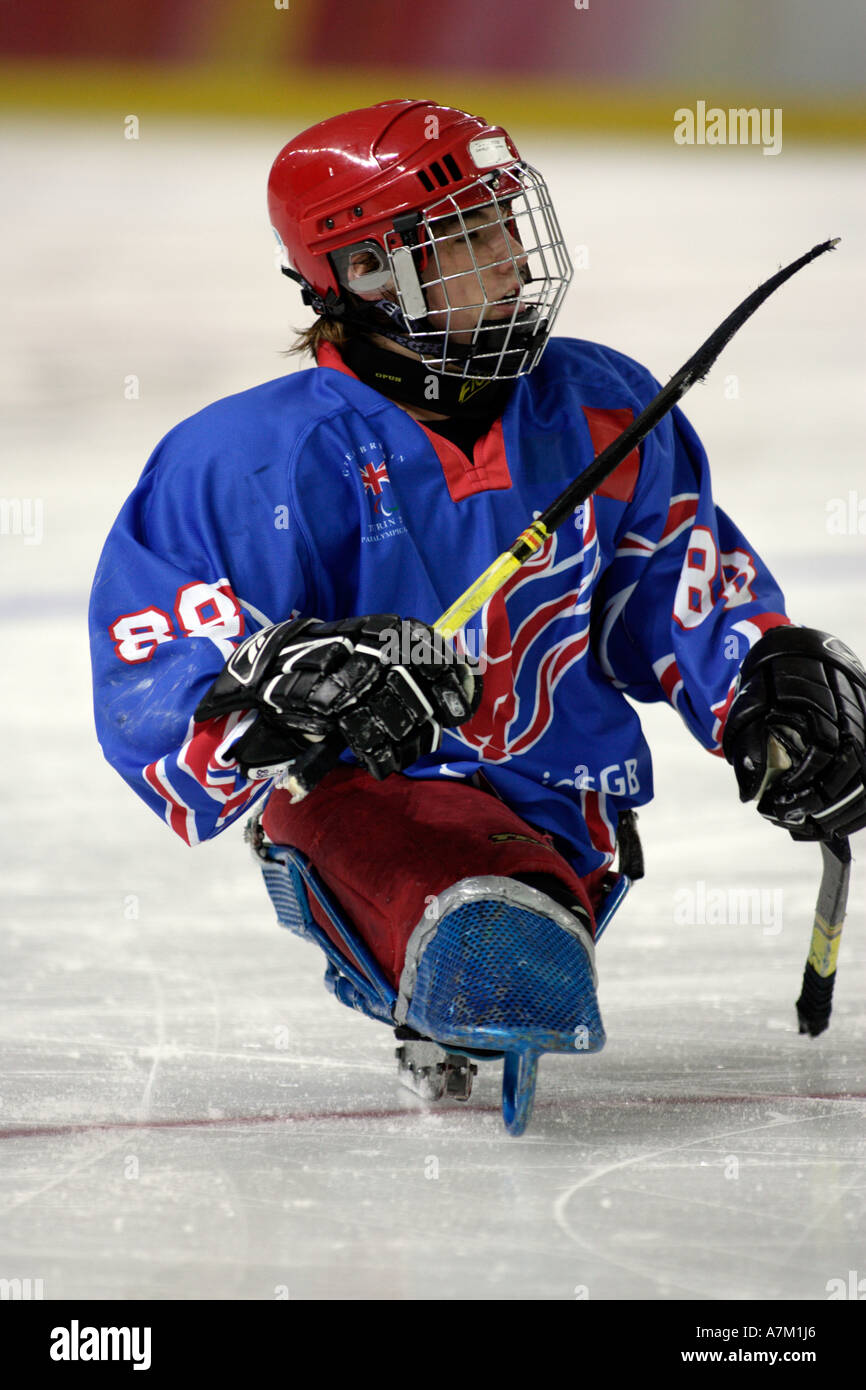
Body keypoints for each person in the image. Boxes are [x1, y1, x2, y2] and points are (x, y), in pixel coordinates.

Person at [89, 100, 866, 1108]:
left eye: (500, 221)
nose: (505, 258)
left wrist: (763, 685)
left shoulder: (597, 404)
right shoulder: (247, 460)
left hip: (564, 800)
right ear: (363, 274)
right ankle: (454, 941)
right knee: (489, 924)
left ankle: (502, 927)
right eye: (461, 239)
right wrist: (286, 683)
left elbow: (673, 582)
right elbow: (160, 662)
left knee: (521, 917)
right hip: (372, 800)